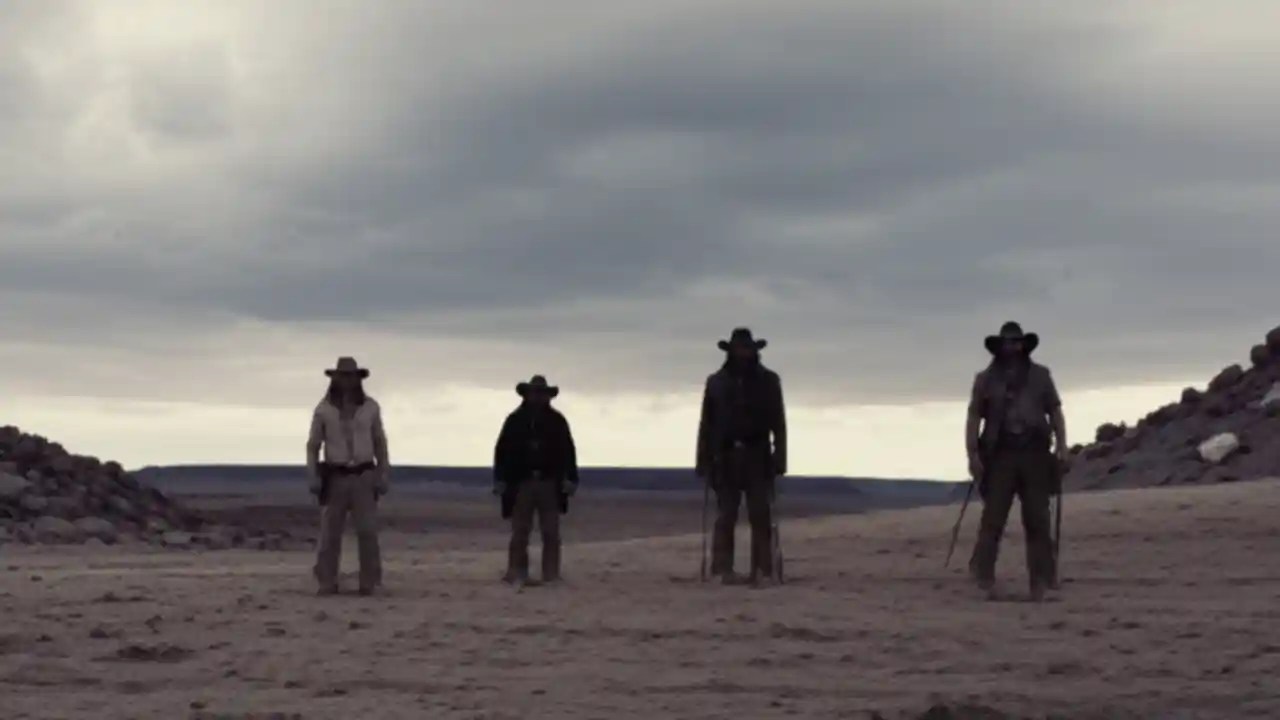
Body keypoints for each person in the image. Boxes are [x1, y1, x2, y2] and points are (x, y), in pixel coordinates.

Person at [965, 322, 1067, 601]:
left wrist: (1062, 446)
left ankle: (1043, 579)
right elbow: (974, 417)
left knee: (1038, 519)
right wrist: (972, 454)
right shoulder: (985, 379)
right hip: (1000, 457)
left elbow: (1055, 411)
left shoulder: (1041, 376)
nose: (1011, 347)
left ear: (1024, 345)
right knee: (993, 518)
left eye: (1016, 342)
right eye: (1007, 342)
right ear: (999, 346)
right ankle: (982, 575)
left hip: (1035, 455)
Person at [696, 328, 787, 585]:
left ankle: (764, 570)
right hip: (724, 457)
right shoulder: (716, 382)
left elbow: (778, 422)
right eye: (739, 349)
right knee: (726, 515)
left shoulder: (769, 381)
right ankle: (721, 570)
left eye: (747, 349)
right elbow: (706, 423)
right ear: (730, 351)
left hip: (758, 455)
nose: (743, 354)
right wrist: (703, 460)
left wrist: (780, 458)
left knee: (761, 514)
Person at [305, 357, 390, 596]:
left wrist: (383, 472)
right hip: (336, 475)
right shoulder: (323, 410)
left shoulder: (371, 408)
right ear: (335, 379)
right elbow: (313, 444)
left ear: (358, 379)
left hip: (363, 473)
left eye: (350, 376)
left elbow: (379, 441)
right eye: (342, 376)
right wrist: (312, 475)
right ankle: (326, 580)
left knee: (367, 531)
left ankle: (370, 581)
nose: (346, 381)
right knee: (330, 533)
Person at [493, 375, 579, 585]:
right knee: (520, 530)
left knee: (551, 532)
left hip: (550, 483)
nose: (538, 397)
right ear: (527, 394)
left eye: (541, 393)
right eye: (534, 393)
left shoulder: (557, 421)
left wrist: (571, 478)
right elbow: (501, 452)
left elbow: (568, 451)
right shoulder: (515, 421)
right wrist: (500, 479)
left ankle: (551, 574)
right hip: (521, 483)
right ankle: (516, 572)